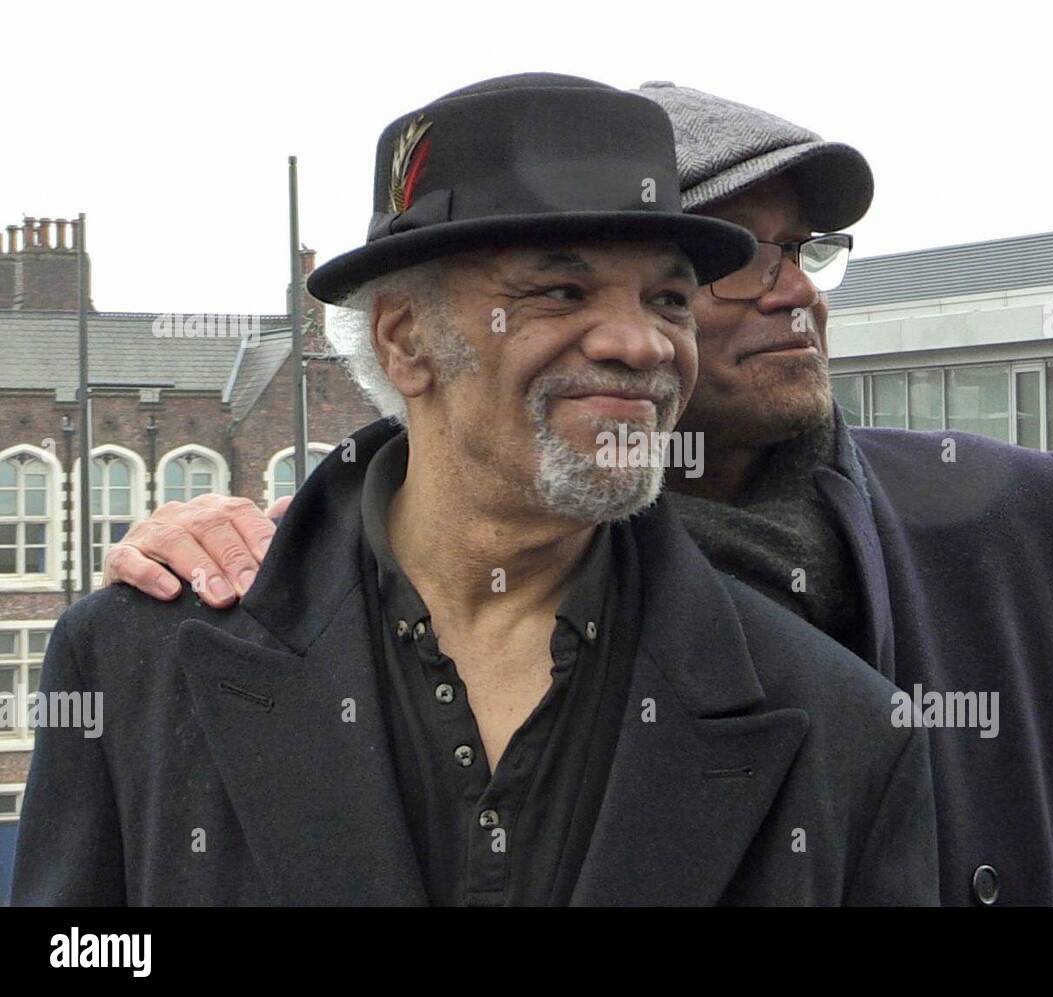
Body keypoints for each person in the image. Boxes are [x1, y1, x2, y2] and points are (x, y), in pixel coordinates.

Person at [100, 81, 1053, 906]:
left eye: (810, 247)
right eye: (740, 255)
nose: (795, 290)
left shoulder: (996, 518)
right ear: (414, 339)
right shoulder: (221, 619)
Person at [12, 73, 939, 907]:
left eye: (666, 298)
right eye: (561, 292)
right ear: (406, 339)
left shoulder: (841, 728)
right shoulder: (138, 661)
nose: (642, 343)